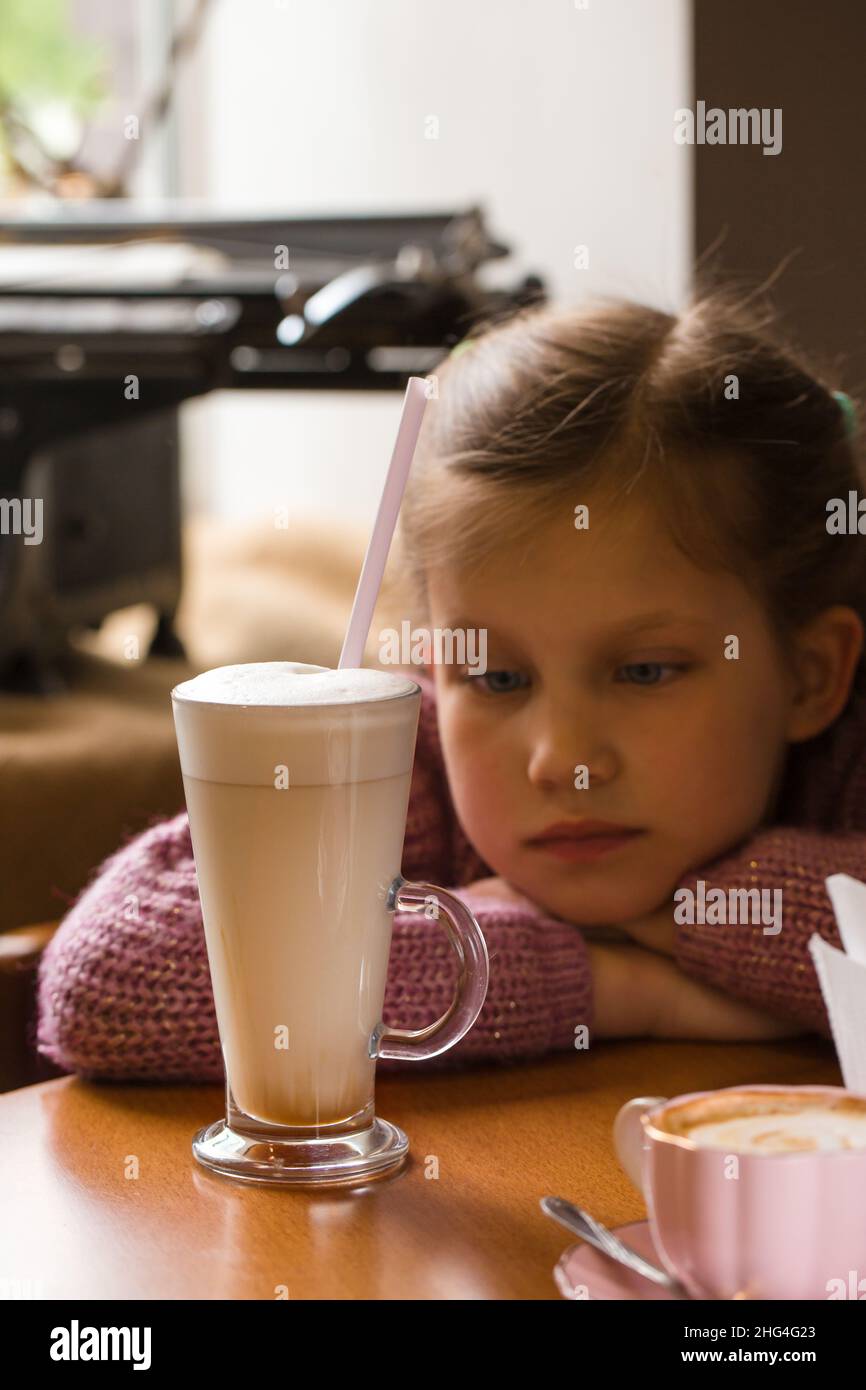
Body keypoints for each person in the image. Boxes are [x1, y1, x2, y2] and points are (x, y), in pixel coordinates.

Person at [36, 290, 866, 1082]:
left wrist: (699, 915)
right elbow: (105, 981)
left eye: (645, 671)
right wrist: (613, 989)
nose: (561, 761)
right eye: (498, 677)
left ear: (812, 675)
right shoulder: (404, 757)